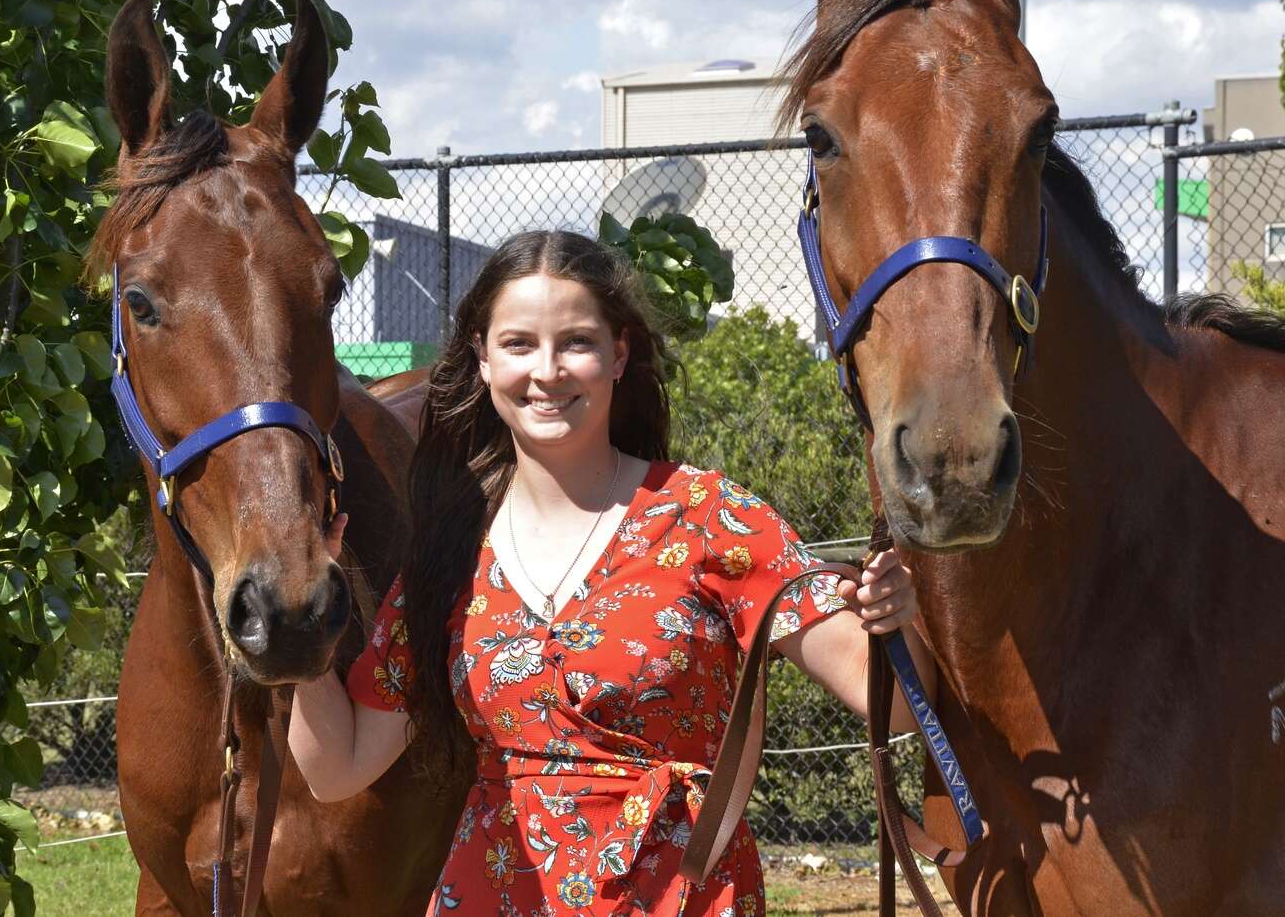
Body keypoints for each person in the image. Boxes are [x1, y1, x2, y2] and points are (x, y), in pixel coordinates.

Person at [289, 230, 934, 916]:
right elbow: (339, 766)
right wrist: (302, 616)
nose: (547, 371)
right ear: (482, 358)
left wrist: (898, 616)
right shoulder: (449, 557)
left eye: (576, 342)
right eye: (518, 344)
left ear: (619, 354)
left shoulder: (709, 516)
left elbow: (893, 703)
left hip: (680, 894)